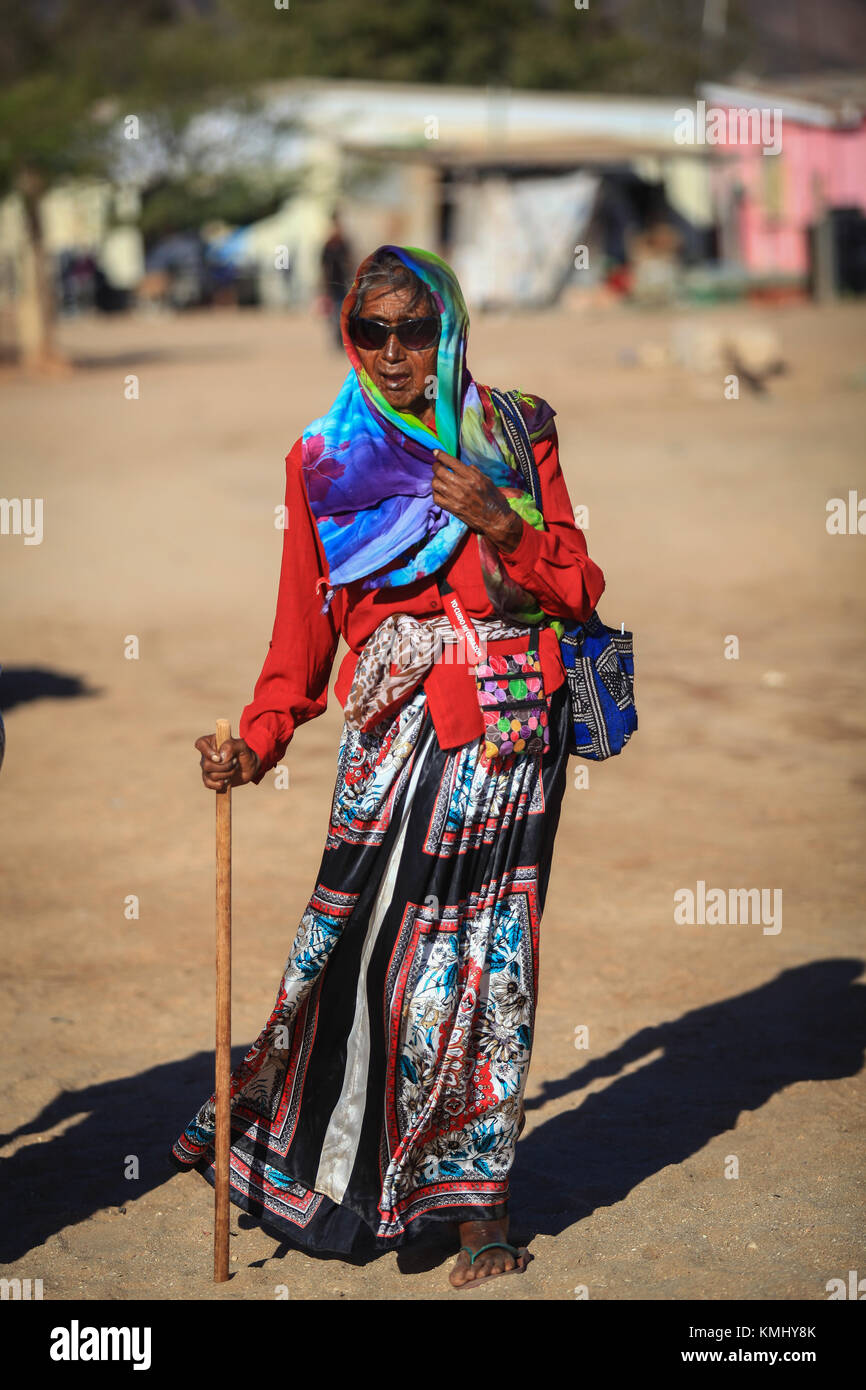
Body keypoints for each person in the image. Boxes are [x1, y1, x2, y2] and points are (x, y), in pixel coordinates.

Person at [169, 245, 605, 1290]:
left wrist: (505, 525)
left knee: (482, 973)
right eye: (373, 332)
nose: (396, 352)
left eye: (414, 329)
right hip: (390, 738)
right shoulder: (322, 457)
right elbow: (302, 626)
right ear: (348, 332)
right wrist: (257, 738)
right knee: (358, 966)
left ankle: (476, 1210)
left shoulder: (513, 427)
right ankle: (316, 1163)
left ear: (446, 326)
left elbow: (580, 584)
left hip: (505, 736)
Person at [320, 214, 352, 347]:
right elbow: (323, 266)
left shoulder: (343, 243)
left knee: (342, 312)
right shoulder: (328, 245)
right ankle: (337, 338)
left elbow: (350, 261)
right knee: (334, 313)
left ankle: (341, 338)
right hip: (331, 285)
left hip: (343, 283)